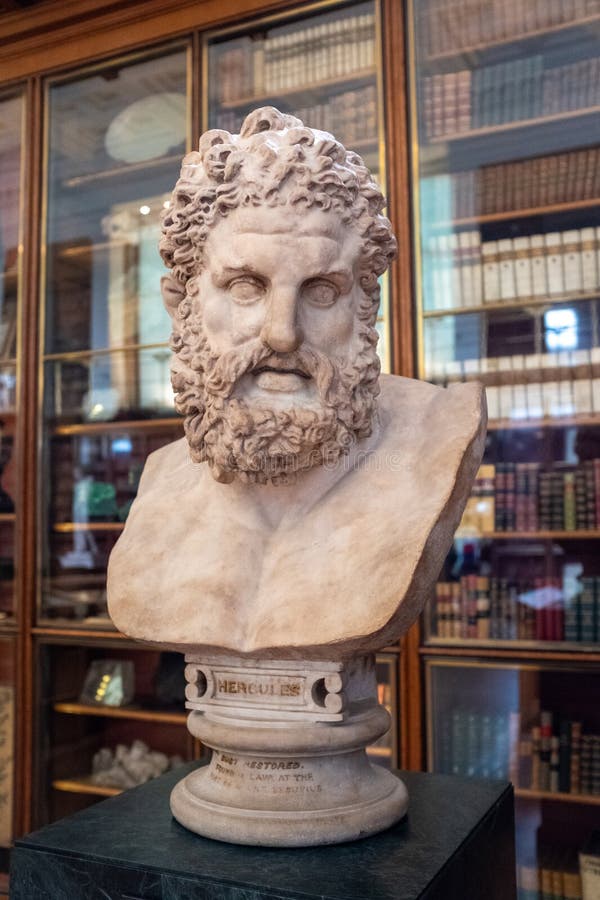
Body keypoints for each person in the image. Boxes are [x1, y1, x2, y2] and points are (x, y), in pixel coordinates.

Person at [107, 107, 485, 658]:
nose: (283, 333)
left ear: (364, 306)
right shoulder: (162, 480)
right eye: (245, 287)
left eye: (321, 291)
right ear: (181, 305)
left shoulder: (435, 438)